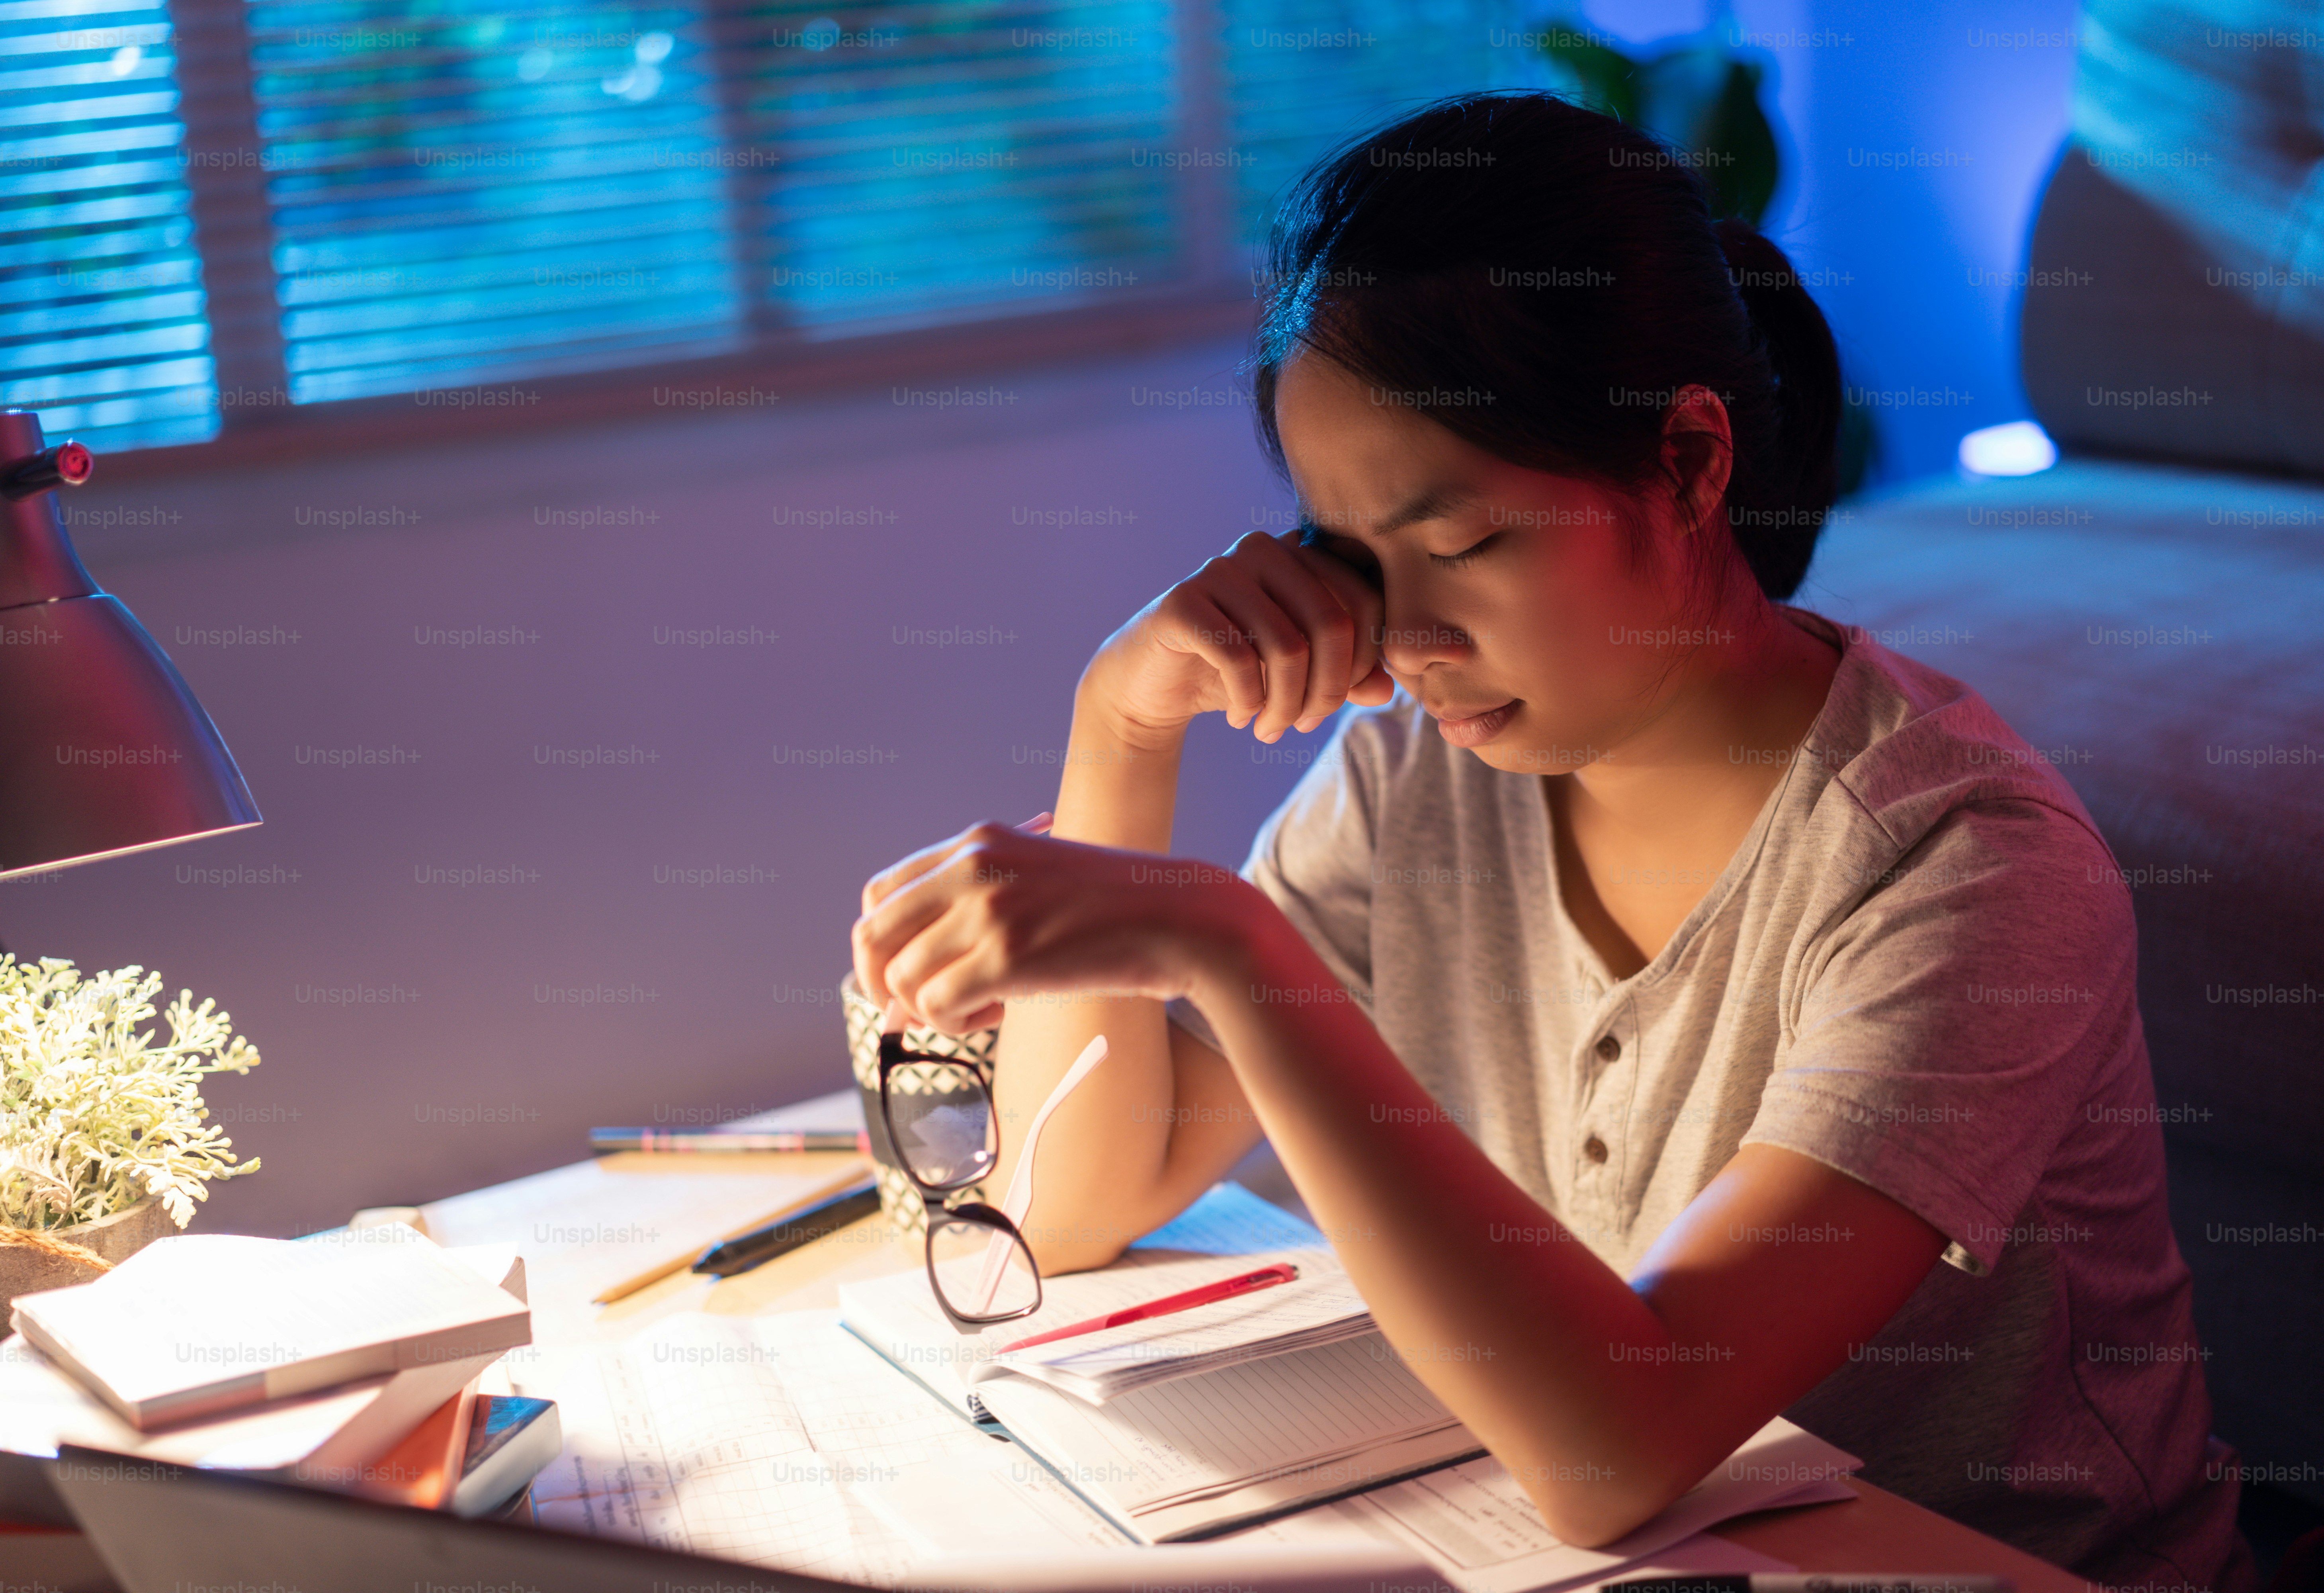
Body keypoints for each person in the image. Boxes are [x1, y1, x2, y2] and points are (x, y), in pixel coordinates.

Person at [851, 92, 2253, 1593]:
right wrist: (1119, 732)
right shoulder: (1413, 776)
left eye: (1461, 547)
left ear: (1692, 462)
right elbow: (1070, 1207)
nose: (1408, 638)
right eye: (1351, 559)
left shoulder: (1968, 867)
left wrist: (1234, 945)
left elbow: (1618, 1452)